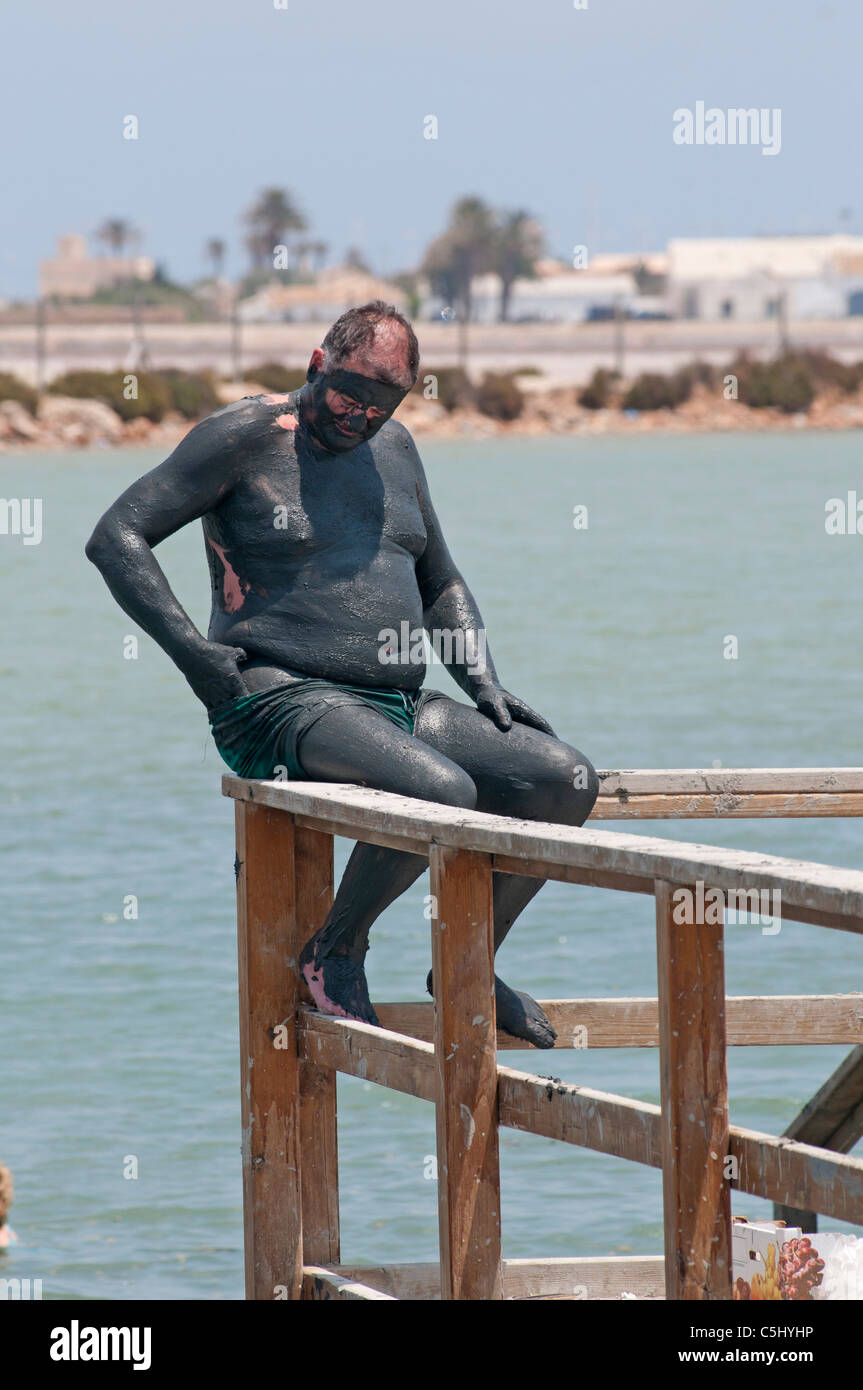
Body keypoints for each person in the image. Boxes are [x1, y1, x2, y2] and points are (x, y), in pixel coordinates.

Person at [86, 301, 598, 1047]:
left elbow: (441, 582)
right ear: (316, 362)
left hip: (393, 702)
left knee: (563, 778)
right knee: (439, 791)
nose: (360, 415)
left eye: (381, 403)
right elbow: (115, 536)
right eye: (349, 393)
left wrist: (481, 680)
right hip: (276, 698)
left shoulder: (396, 451)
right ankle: (335, 952)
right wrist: (195, 655)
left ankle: (467, 964)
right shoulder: (243, 438)